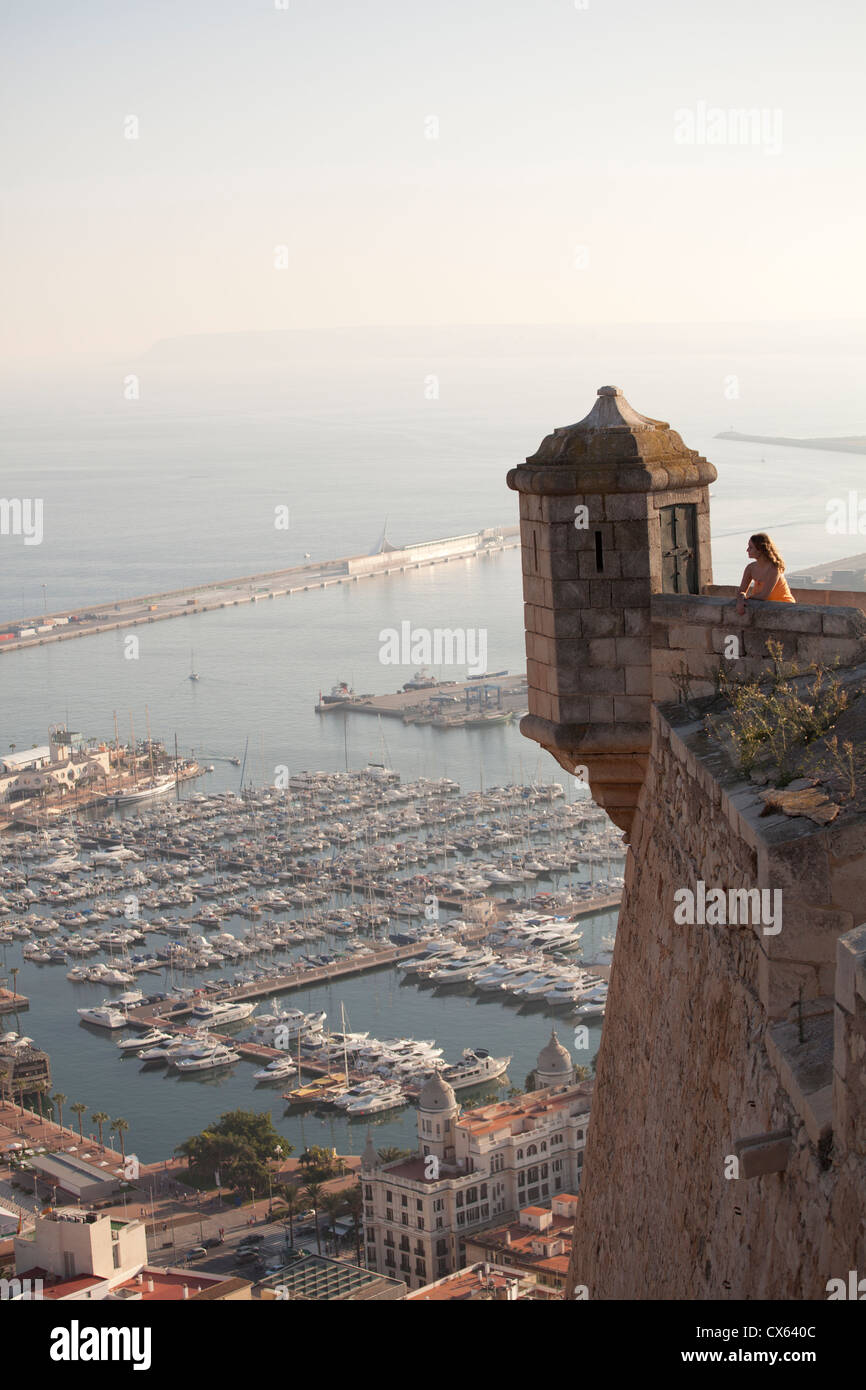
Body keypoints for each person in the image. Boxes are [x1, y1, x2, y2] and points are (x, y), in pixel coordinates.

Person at [736, 533, 795, 615]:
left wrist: (747, 599)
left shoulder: (774, 568)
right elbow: (741, 591)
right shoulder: (750, 568)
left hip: (786, 609)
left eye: (751, 547)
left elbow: (763, 596)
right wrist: (741, 599)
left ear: (760, 549)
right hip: (766, 607)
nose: (747, 550)